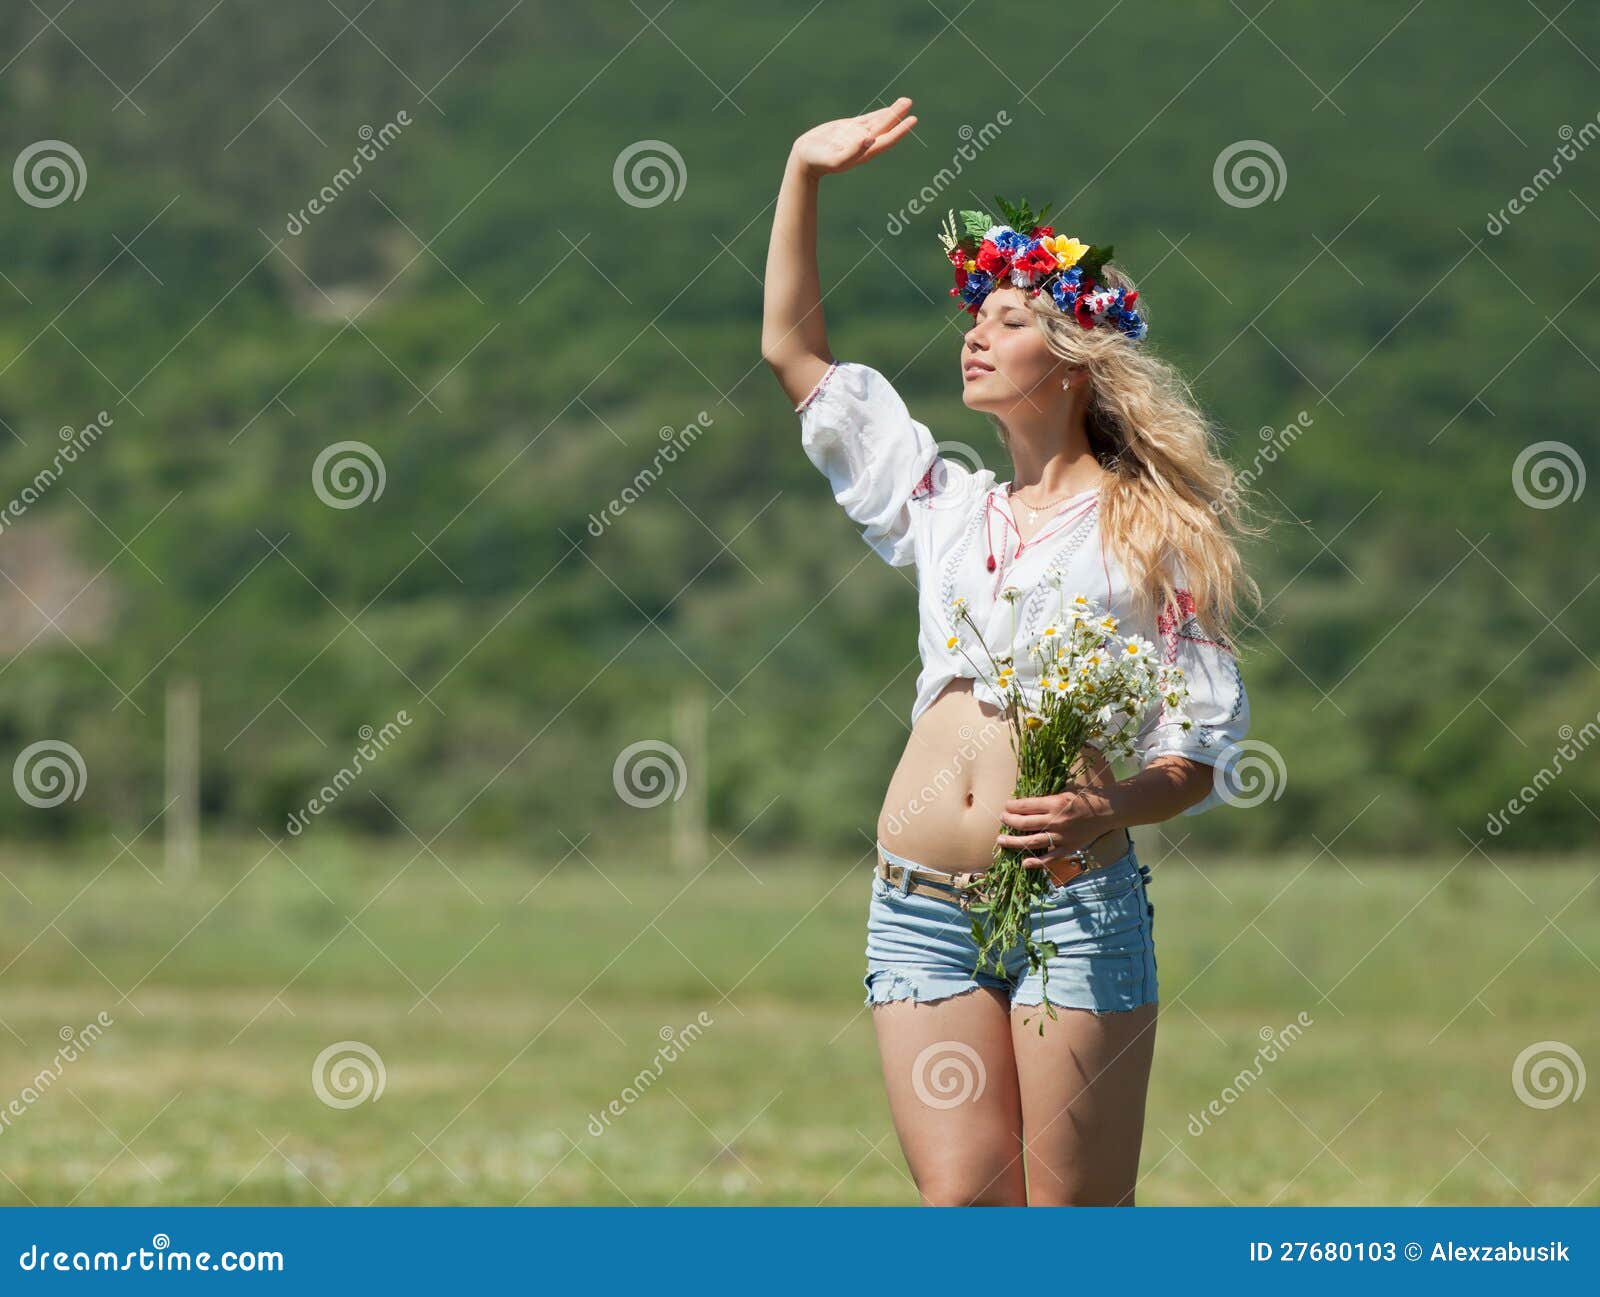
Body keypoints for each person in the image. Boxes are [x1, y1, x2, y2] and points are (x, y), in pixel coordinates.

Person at [761, 97, 1265, 1207]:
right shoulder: (944, 504)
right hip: (917, 907)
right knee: (962, 1211)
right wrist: (802, 173)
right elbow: (795, 354)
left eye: (1009, 318)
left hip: (1072, 905)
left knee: (1069, 1229)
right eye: (974, 317)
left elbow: (1196, 754)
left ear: (1077, 359)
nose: (975, 334)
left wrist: (1104, 807)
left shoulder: (1154, 531)